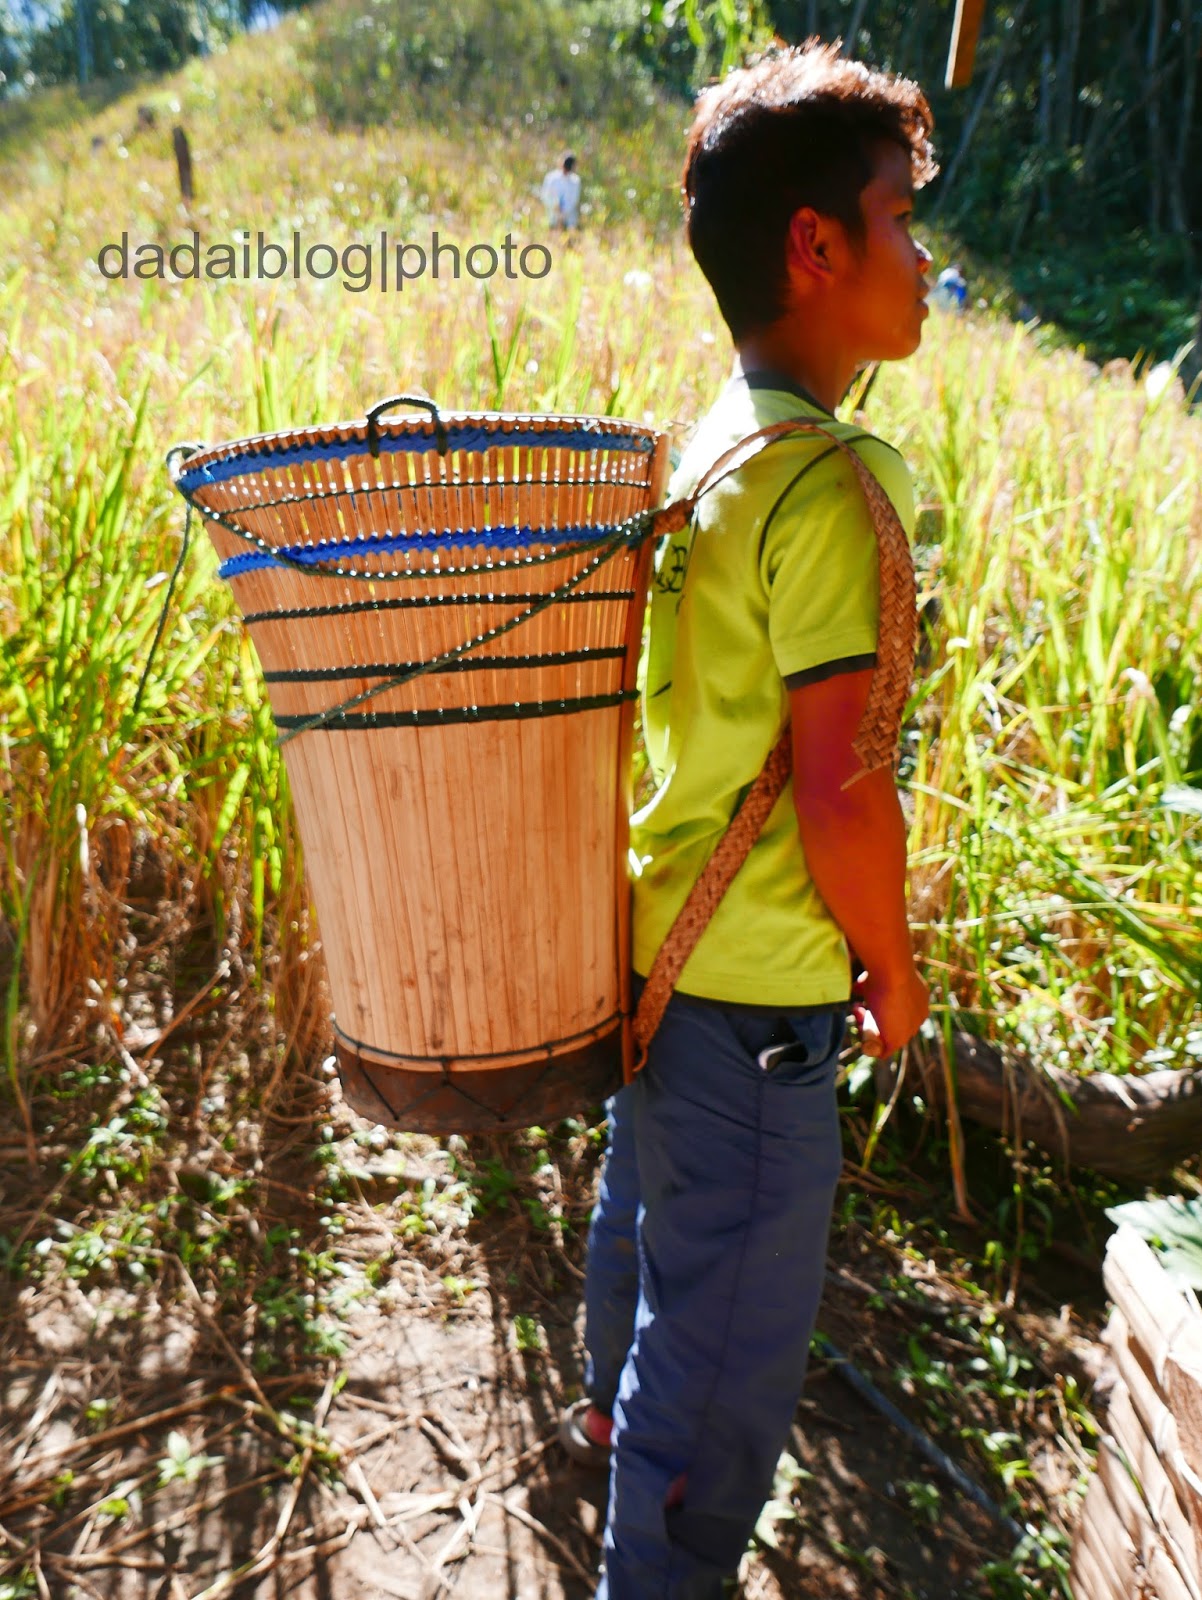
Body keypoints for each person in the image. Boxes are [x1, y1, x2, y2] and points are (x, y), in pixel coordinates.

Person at [558, 40, 937, 1599]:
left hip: (661, 960)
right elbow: (840, 783)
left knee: (651, 1246)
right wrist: (891, 964)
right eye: (900, 217)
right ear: (813, 245)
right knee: (715, 1380)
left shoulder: (712, 447)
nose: (923, 256)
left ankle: (608, 1438)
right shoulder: (825, 483)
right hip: (763, 1003)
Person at [540, 151, 581, 230]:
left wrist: (563, 213)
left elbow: (574, 200)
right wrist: (555, 208)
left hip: (569, 220)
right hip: (552, 217)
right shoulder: (551, 178)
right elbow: (545, 196)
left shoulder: (575, 180)